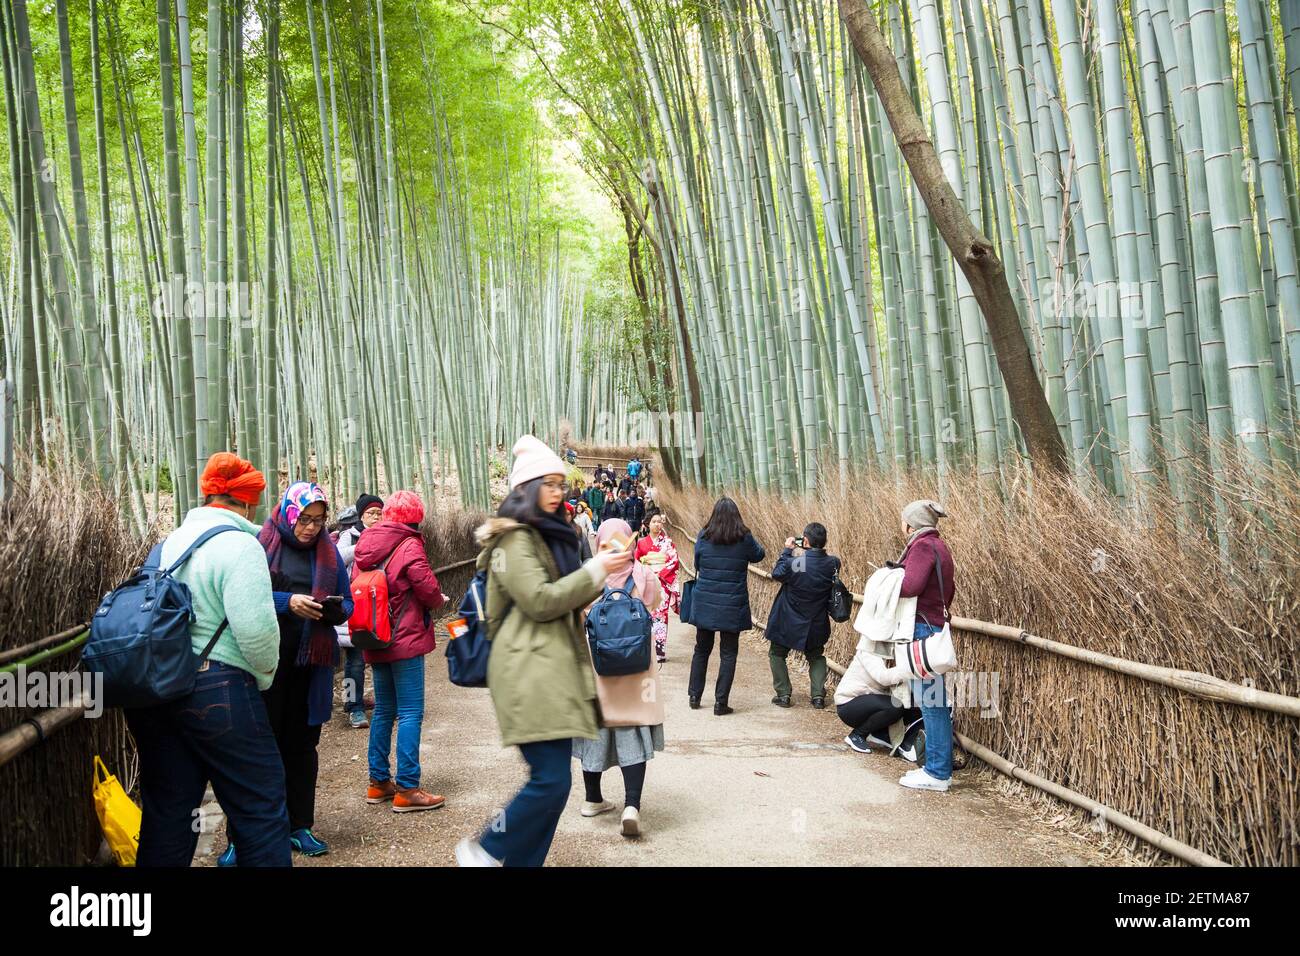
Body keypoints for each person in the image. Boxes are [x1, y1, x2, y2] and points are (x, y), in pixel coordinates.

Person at [455, 435, 633, 867]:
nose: (558, 492)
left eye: (560, 484)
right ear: (527, 488)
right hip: (527, 673)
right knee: (550, 782)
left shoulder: (545, 536)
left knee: (554, 785)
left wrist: (593, 574)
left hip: (547, 671)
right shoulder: (515, 540)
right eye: (549, 484)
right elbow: (540, 600)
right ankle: (485, 849)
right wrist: (595, 572)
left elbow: (561, 597)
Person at [126, 453, 288, 867]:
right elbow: (256, 632)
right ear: (249, 502)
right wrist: (264, 677)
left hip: (157, 691)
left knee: (167, 814)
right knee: (259, 810)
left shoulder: (167, 544)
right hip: (219, 690)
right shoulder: (239, 545)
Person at [231, 481, 352, 863]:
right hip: (263, 663)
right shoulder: (260, 545)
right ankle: (244, 836)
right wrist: (288, 602)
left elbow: (347, 602)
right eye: (304, 519)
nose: (311, 527)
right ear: (287, 513)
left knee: (302, 746)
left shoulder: (328, 551)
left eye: (318, 520)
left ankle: (299, 825)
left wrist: (333, 610)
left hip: (309, 665)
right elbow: (241, 595)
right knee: (258, 749)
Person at [355, 490, 448, 812]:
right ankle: (408, 788)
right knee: (410, 712)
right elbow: (427, 589)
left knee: (383, 710)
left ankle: (378, 782)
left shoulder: (365, 544)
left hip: (375, 636)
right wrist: (439, 601)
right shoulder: (409, 544)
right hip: (404, 639)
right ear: (415, 519)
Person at [575, 518, 665, 838]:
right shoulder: (642, 575)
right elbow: (656, 604)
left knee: (594, 729)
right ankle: (631, 806)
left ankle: (592, 799)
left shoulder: (588, 577)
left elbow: (575, 612)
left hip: (597, 668)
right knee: (632, 732)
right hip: (636, 671)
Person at [895, 500, 956, 792]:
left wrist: (890, 578)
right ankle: (937, 768)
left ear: (911, 524)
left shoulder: (921, 547)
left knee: (931, 704)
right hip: (934, 626)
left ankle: (937, 772)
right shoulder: (940, 546)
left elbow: (911, 585)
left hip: (922, 629)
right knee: (935, 703)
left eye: (903, 520)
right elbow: (949, 590)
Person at [686, 497, 765, 716]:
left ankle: (694, 696)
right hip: (732, 603)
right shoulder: (744, 537)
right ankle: (721, 703)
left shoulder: (704, 535)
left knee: (701, 649)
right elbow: (759, 556)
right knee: (728, 653)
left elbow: (697, 563)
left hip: (705, 602)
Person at [766, 523, 840, 709]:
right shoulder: (833, 563)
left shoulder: (799, 563)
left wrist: (787, 551)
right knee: (816, 656)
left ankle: (783, 695)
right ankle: (817, 696)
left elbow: (778, 573)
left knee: (777, 653)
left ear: (805, 541)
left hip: (788, 621)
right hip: (816, 622)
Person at [335, 493, 384, 729]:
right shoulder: (349, 535)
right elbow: (337, 559)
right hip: (354, 605)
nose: (375, 517)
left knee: (375, 659)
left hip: (377, 606)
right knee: (353, 661)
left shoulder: (387, 534)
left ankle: (367, 701)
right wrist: (362, 545)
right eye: (370, 513)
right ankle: (352, 706)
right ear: (361, 515)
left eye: (378, 512)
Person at [835, 632, 924, 762]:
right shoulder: (867, 651)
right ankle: (857, 735)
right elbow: (883, 678)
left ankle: (881, 734)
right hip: (848, 705)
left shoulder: (889, 654)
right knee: (895, 706)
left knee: (910, 705)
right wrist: (910, 669)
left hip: (870, 702)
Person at [634, 512, 681, 663]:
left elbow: (674, 561)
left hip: (662, 583)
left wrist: (659, 573)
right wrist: (645, 573)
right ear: (647, 524)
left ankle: (659, 651)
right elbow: (636, 563)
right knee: (646, 615)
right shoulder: (641, 543)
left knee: (661, 616)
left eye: (659, 522)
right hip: (646, 583)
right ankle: (646, 649)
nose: (657, 524)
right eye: (654, 521)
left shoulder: (668, 542)